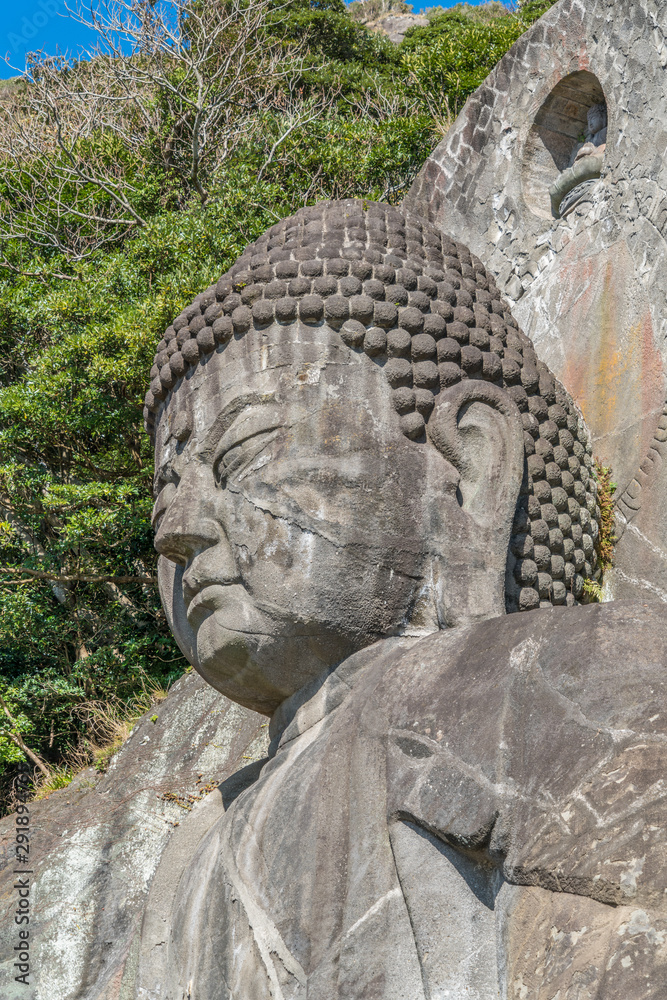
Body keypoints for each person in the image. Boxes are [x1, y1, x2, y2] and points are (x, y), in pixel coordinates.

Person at [138, 200, 667, 999]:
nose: (175, 530)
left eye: (242, 452)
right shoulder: (197, 843)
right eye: (164, 493)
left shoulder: (549, 678)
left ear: (470, 466)